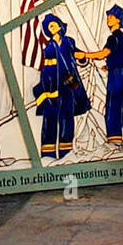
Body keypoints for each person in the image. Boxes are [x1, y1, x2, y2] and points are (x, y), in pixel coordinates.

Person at [76, 4, 123, 148]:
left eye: (111, 16)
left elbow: (103, 54)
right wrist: (109, 65)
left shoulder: (113, 38)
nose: (108, 19)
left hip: (117, 76)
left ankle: (114, 139)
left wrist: (85, 55)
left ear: (118, 20)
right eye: (108, 16)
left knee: (113, 106)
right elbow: (119, 56)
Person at [33, 13, 91, 159]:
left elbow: (78, 56)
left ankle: (66, 152)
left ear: (59, 25)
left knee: (67, 116)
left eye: (53, 24)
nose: (52, 27)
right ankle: (48, 154)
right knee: (50, 118)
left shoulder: (69, 42)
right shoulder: (47, 48)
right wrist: (47, 89)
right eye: (49, 26)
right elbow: (46, 70)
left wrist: (83, 58)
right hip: (53, 86)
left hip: (69, 85)